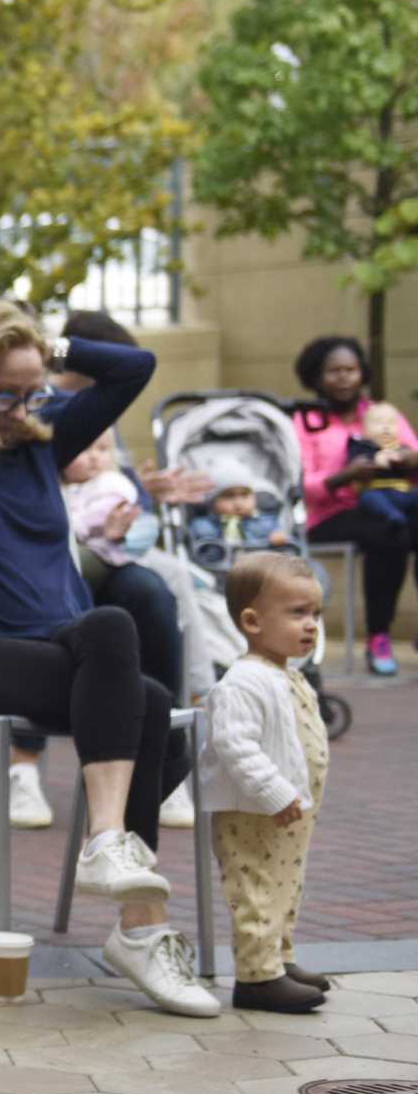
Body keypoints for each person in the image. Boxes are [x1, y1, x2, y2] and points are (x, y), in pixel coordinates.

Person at [0, 299, 218, 1017]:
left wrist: (39, 345)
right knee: (120, 644)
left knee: (147, 695)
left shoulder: (38, 446)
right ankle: (117, 866)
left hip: (58, 653)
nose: (22, 406)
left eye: (35, 392)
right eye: (4, 392)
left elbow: (134, 368)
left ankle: (134, 916)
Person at [14, 310, 197, 831]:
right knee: (62, 600)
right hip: (49, 559)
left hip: (106, 553)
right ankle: (22, 768)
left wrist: (48, 344)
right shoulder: (20, 410)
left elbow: (136, 368)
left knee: (153, 594)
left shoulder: (93, 410)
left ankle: (165, 760)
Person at [202, 553, 331, 1014]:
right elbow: (235, 745)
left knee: (287, 885)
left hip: (288, 811)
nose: (311, 624)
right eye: (297, 613)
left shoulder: (287, 674)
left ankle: (279, 958)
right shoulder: (244, 681)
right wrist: (276, 791)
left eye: (315, 613)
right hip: (254, 812)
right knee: (257, 888)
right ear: (253, 621)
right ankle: (256, 978)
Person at [292, 334, 418, 675]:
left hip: (391, 501)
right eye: (334, 371)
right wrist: (345, 475)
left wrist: (404, 458)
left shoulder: (380, 414)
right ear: (316, 376)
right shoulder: (303, 422)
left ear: (362, 373)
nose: (344, 377)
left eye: (351, 369)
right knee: (389, 533)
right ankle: (379, 636)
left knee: (401, 525)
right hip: (330, 514)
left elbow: (413, 450)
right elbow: (298, 484)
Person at [63, 433, 162, 570]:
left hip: (114, 554)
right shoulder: (66, 488)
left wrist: (78, 526)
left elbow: (105, 511)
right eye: (84, 449)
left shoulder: (113, 483)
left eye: (102, 449)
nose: (94, 456)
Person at [188, 481, 290, 570]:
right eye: (229, 497)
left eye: (245, 495)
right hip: (218, 578)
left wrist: (279, 540)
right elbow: (199, 557)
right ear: (213, 501)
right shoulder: (202, 526)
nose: (238, 503)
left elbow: (286, 549)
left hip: (261, 575)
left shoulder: (267, 522)